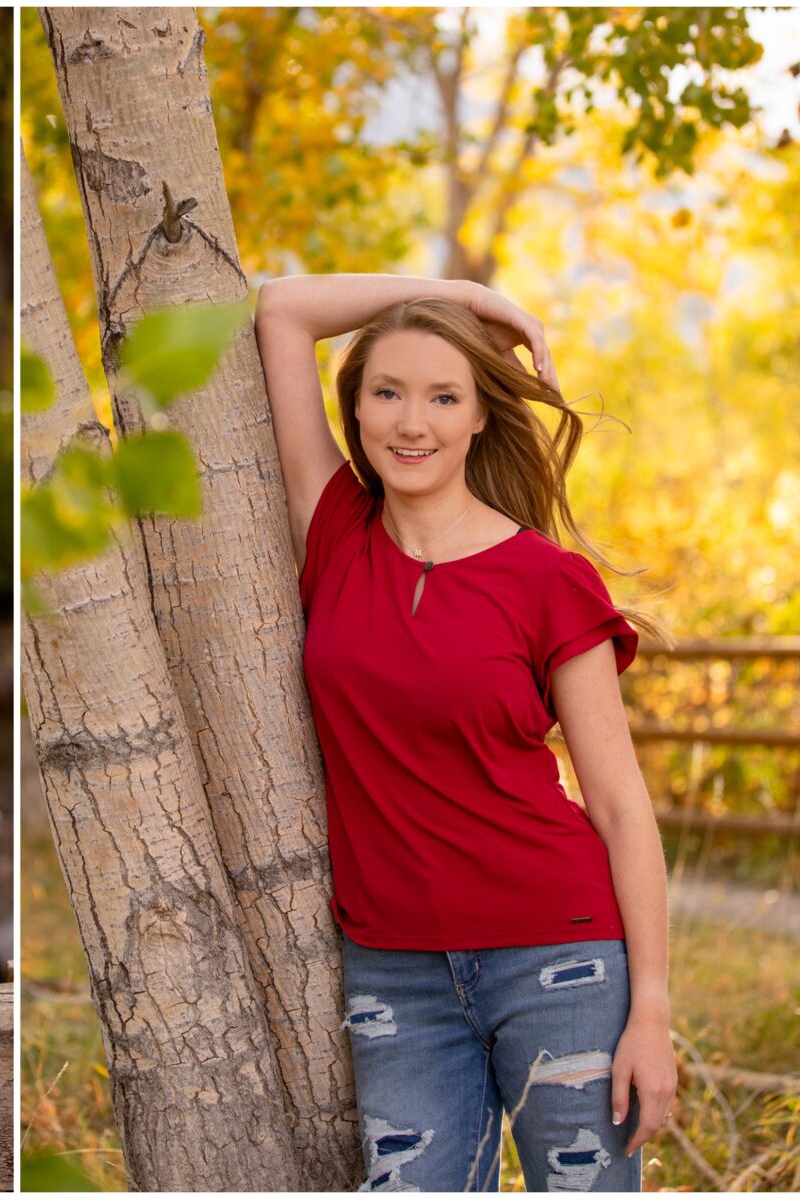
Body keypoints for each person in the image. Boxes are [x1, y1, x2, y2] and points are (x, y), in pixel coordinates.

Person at [253, 274, 677, 1192]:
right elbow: (283, 309)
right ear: (356, 406)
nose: (414, 422)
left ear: (482, 415)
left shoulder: (547, 580)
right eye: (388, 391)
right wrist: (464, 295)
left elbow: (618, 804)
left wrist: (651, 1011)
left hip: (560, 959)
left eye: (445, 396)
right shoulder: (333, 533)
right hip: (393, 970)